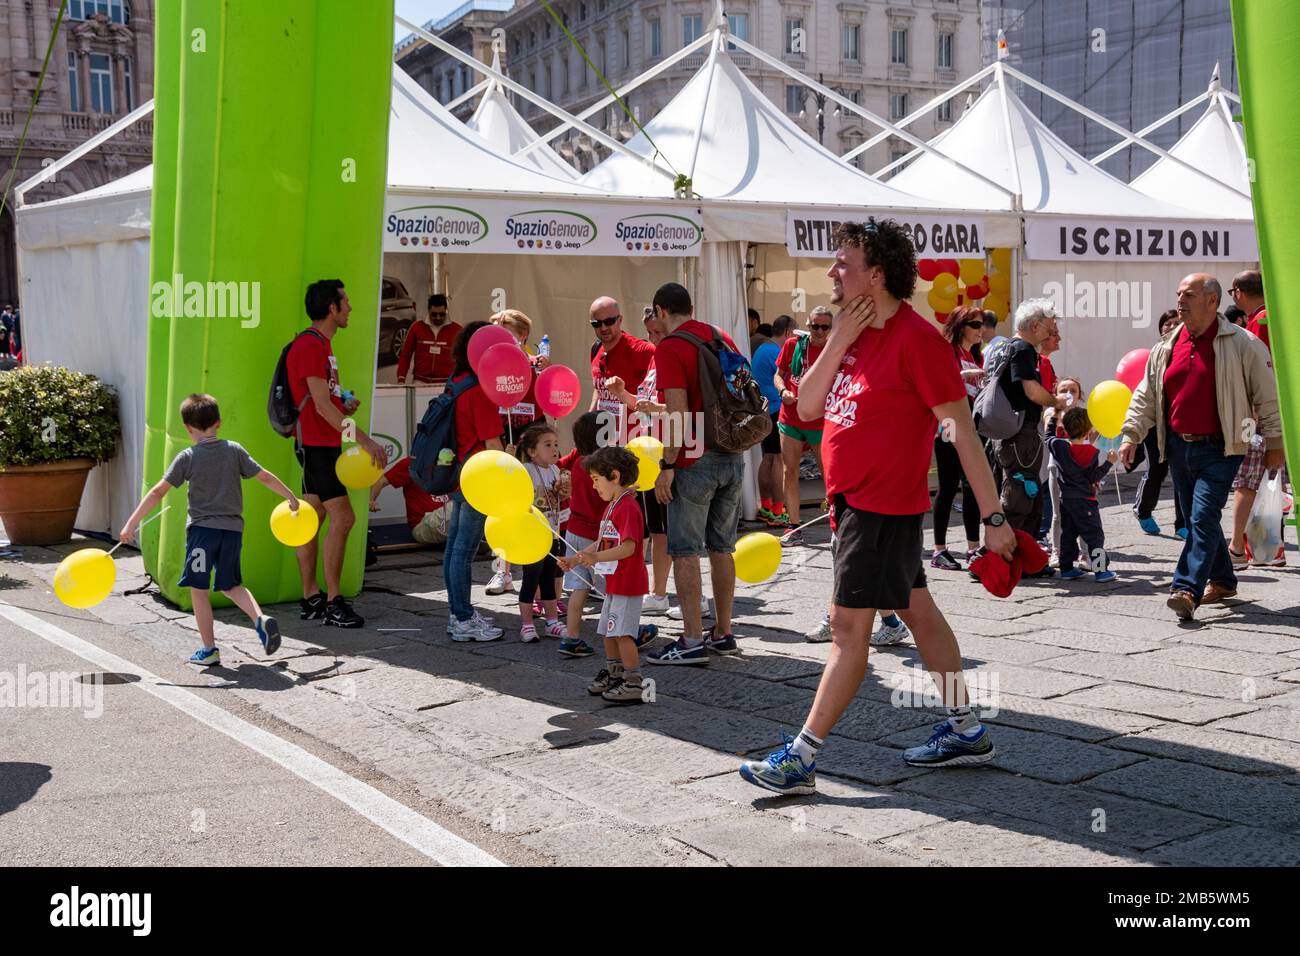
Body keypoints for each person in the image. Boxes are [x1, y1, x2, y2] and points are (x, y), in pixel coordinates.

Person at [738, 218, 1014, 795]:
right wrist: (837, 339)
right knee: (919, 613)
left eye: (844, 262)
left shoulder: (918, 343)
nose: (833, 270)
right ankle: (966, 729)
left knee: (846, 631)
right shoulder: (853, 334)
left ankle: (802, 757)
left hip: (881, 509)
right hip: (856, 507)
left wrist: (993, 521)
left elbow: (962, 434)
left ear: (877, 275)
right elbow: (809, 408)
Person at [1119, 274, 1284, 621]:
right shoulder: (1166, 346)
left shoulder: (1244, 343)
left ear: (1212, 301)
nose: (1180, 300)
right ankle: (1223, 580)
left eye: (1189, 294)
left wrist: (1275, 442)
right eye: (1179, 293)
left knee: (1202, 516)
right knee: (1201, 522)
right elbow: (1145, 396)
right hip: (1178, 447)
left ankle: (1186, 589)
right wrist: (1131, 435)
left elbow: (1267, 396)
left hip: (1223, 447)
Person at [120, 394, 297, 665]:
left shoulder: (188, 456)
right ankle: (259, 618)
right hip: (232, 531)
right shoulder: (234, 450)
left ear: (187, 427)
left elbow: (158, 492)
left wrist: (132, 523)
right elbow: (263, 476)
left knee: (198, 589)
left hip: (203, 533)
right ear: (219, 422)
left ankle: (209, 650)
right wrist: (290, 497)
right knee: (231, 585)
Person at [645, 282, 746, 664]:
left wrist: (667, 465)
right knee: (722, 547)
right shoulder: (721, 337)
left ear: (660, 310)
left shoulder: (672, 346)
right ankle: (723, 631)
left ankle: (689, 641)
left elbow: (677, 412)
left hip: (694, 459)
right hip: (732, 454)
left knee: (685, 550)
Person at [288, 279, 388, 628]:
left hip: (322, 442)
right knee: (343, 519)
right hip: (317, 443)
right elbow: (320, 407)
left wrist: (345, 400)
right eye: (345, 302)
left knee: (312, 517)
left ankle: (311, 597)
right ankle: (332, 601)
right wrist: (364, 439)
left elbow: (326, 397)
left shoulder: (322, 345)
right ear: (331, 307)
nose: (349, 308)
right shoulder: (311, 345)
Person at [561, 446, 649, 704]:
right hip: (614, 583)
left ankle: (634, 681)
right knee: (608, 632)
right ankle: (615, 674)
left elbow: (629, 547)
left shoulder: (628, 508)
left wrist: (595, 558)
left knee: (622, 633)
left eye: (596, 480)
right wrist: (576, 558)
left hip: (628, 584)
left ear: (614, 476)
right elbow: (601, 542)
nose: (593, 486)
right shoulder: (613, 505)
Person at [603, 307, 673, 615]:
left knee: (671, 529)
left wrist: (655, 408)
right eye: (648, 332)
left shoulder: (676, 357)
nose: (652, 338)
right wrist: (623, 395)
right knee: (655, 527)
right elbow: (645, 407)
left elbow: (686, 406)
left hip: (669, 454)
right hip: (648, 455)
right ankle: (658, 592)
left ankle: (675, 592)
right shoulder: (657, 358)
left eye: (657, 331)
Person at [444, 320, 509, 641]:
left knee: (454, 546)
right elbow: (493, 445)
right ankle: (463, 618)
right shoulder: (479, 391)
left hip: (456, 474)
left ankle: (457, 613)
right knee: (464, 549)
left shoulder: (455, 381)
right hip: (478, 478)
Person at [991, 299, 1067, 555]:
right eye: (1050, 327)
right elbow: (1032, 391)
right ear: (1035, 326)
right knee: (1020, 499)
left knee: (1027, 497)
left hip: (1010, 435)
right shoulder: (1023, 348)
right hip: (1019, 435)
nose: (1052, 333)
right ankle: (1001, 558)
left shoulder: (1005, 347)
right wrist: (1056, 402)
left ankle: (1023, 556)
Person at [484, 308, 551, 597]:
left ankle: (538, 568)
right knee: (504, 506)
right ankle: (503, 570)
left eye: (506, 329)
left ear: (522, 336)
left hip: (531, 439)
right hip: (503, 440)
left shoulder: (536, 364)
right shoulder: (490, 363)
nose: (499, 335)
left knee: (534, 505)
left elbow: (548, 398)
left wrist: (544, 371)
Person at [1227, 269, 1285, 567]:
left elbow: (1259, 373)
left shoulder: (1259, 322)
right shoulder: (1275, 316)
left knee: (1247, 480)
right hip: (1280, 413)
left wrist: (1250, 414)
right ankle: (1269, 547)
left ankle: (1237, 547)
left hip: (1260, 415)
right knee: (1272, 481)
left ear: (1239, 291)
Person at [930, 306, 986, 570]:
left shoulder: (975, 355)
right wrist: (964, 376)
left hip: (971, 425)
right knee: (949, 486)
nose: (980, 330)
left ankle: (973, 547)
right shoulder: (946, 351)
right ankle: (939, 550)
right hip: (948, 425)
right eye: (975, 324)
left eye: (982, 324)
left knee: (972, 484)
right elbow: (937, 383)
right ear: (960, 325)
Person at [774, 306, 833, 543]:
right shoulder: (793, 345)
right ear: (807, 326)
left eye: (824, 327)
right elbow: (778, 375)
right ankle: (793, 526)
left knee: (829, 475)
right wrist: (783, 390)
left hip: (820, 421)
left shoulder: (834, 350)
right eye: (814, 326)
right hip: (791, 417)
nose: (819, 331)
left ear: (831, 328)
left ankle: (837, 523)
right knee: (790, 472)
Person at [1130, 309, 1187, 539]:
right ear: (1161, 329)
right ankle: (1143, 510)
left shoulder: (1188, 350)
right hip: (1156, 421)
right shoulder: (1156, 353)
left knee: (1182, 472)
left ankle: (1182, 523)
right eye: (1167, 323)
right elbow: (1144, 393)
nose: (1172, 326)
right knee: (1158, 468)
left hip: (1181, 421)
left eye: (1177, 323)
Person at [510, 424, 569, 643]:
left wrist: (564, 491)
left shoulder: (555, 470)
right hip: (531, 535)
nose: (554, 449)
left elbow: (558, 499)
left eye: (555, 444)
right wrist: (509, 459)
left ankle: (552, 621)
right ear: (532, 451)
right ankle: (526, 624)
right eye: (547, 445)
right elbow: (512, 483)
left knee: (549, 578)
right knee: (530, 579)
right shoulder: (525, 469)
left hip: (552, 533)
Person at [1047, 406, 1118, 582]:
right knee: (1095, 536)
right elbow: (1093, 477)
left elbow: (1048, 436)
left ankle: (1066, 569)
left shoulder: (1058, 446)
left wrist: (1055, 417)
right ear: (1088, 432)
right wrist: (1109, 463)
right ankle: (1101, 571)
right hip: (1086, 501)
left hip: (1066, 501)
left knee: (1068, 535)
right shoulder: (1092, 453)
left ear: (1065, 429)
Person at [558, 412, 605, 658]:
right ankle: (624, 633)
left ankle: (571, 636)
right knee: (613, 591)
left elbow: (559, 464)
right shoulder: (601, 468)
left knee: (579, 588)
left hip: (574, 531)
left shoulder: (577, 462)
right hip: (595, 538)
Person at [588, 295, 655, 444]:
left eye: (609, 321)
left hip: (633, 445)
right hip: (604, 442)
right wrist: (589, 417)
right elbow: (599, 388)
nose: (603, 328)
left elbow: (657, 400)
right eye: (597, 323)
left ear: (620, 320)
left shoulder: (643, 351)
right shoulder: (596, 348)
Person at [751, 314, 792, 525]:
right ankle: (778, 509)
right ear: (786, 333)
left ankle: (766, 507)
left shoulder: (762, 349)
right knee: (777, 459)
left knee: (767, 457)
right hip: (775, 409)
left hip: (762, 409)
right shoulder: (777, 351)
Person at [368, 456, 449, 545]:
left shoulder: (451, 464)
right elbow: (381, 481)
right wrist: (371, 501)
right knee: (461, 507)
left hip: (447, 523)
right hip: (423, 525)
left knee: (462, 507)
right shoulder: (413, 463)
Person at [396, 293, 462, 384]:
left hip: (446, 383)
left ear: (446, 310)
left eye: (441, 314)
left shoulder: (457, 330)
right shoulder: (416, 328)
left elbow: (464, 359)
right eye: (434, 314)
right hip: (420, 381)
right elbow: (405, 355)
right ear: (428, 310)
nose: (438, 318)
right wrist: (401, 378)